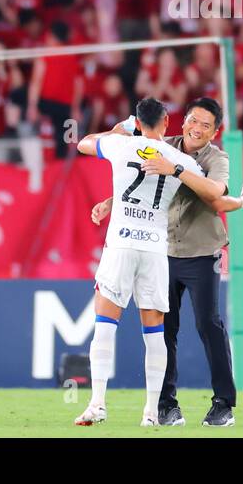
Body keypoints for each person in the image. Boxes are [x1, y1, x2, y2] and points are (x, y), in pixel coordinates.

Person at [89, 97, 243, 427]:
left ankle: (223, 403)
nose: (196, 128)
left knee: (209, 324)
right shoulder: (166, 146)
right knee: (165, 329)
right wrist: (110, 202)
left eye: (205, 125)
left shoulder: (215, 158)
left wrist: (177, 170)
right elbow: (139, 182)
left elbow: (214, 193)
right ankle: (165, 405)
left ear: (215, 132)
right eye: (193, 120)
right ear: (180, 121)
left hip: (202, 251)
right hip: (162, 251)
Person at [74, 98, 209, 428]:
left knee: (105, 326)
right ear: (166, 121)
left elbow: (83, 144)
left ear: (138, 121)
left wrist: (119, 129)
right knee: (154, 333)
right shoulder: (178, 159)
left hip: (120, 243)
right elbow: (208, 188)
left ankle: (97, 404)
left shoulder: (121, 145)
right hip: (153, 249)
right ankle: (150, 412)